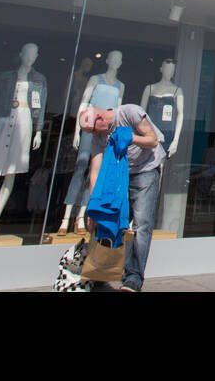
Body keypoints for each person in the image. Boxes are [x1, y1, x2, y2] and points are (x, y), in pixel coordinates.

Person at [80, 102, 166, 292]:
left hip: (146, 170)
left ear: (100, 119)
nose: (95, 135)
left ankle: (133, 278)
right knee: (110, 220)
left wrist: (131, 138)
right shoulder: (99, 136)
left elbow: (152, 140)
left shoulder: (130, 112)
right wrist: (93, 205)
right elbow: (95, 171)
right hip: (120, 174)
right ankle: (103, 272)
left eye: (93, 130)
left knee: (142, 224)